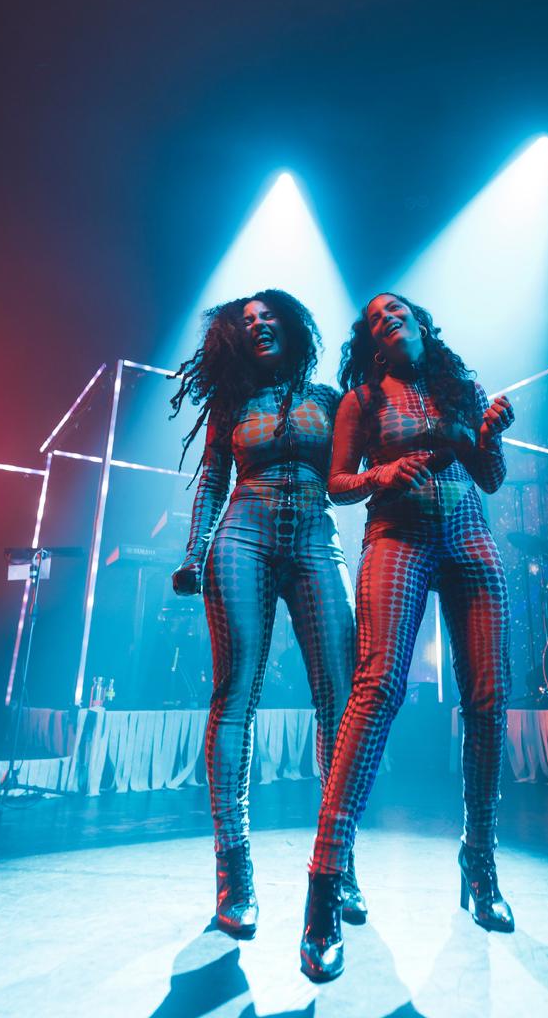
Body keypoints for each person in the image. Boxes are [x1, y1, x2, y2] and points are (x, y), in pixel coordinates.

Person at [300, 292, 515, 982]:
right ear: (371, 342)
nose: (385, 320)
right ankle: (325, 881)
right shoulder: (361, 399)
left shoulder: (460, 387)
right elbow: (334, 483)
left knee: (486, 698)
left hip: (468, 537)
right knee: (378, 687)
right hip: (396, 536)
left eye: (397, 312)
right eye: (373, 321)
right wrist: (379, 473)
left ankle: (477, 859)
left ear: (422, 324)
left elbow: (488, 475)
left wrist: (494, 433)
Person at [170, 289, 365, 938]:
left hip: (315, 540)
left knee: (340, 700)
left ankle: (338, 862)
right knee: (235, 697)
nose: (257, 326)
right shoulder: (231, 405)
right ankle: (234, 870)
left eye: (266, 317)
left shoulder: (331, 401)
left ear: (290, 326)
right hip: (242, 540)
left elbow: (356, 475)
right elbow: (211, 483)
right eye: (244, 321)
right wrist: (194, 551)